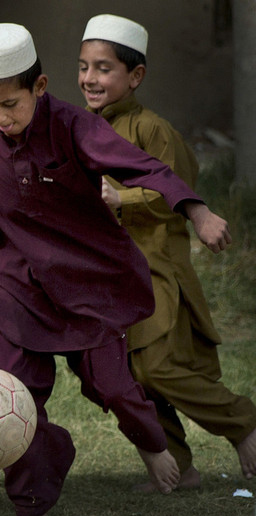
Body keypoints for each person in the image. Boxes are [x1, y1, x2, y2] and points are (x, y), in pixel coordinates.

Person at [0, 23, 231, 516]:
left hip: (89, 282)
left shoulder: (73, 125)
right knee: (12, 397)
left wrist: (196, 211)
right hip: (11, 286)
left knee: (112, 386)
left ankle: (153, 443)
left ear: (39, 87)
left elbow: (143, 167)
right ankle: (33, 509)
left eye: (11, 105)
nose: (0, 119)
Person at [78, 13, 256, 491]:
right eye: (83, 67)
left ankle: (244, 423)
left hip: (158, 269)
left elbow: (174, 190)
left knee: (158, 365)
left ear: (134, 77)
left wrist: (123, 199)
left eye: (103, 68)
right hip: (114, 276)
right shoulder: (84, 128)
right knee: (134, 373)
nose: (90, 79)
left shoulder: (152, 129)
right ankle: (181, 467)